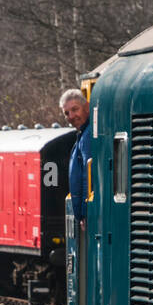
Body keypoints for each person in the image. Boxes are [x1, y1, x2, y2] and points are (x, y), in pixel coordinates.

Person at [60, 89, 91, 230]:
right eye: (66, 113)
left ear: (87, 107)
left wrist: (85, 213)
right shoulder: (82, 136)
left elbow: (87, 175)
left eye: (75, 109)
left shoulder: (88, 136)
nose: (71, 116)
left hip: (89, 214)